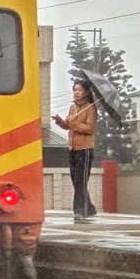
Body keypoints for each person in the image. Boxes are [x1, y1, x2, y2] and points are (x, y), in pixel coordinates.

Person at [53, 80, 98, 223]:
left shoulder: (91, 108)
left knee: (81, 181)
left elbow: (90, 129)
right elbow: (68, 125)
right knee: (76, 180)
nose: (76, 92)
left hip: (84, 150)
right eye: (74, 90)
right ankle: (89, 208)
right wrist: (61, 122)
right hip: (73, 149)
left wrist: (74, 124)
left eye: (79, 90)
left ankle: (80, 210)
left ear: (86, 92)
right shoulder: (73, 108)